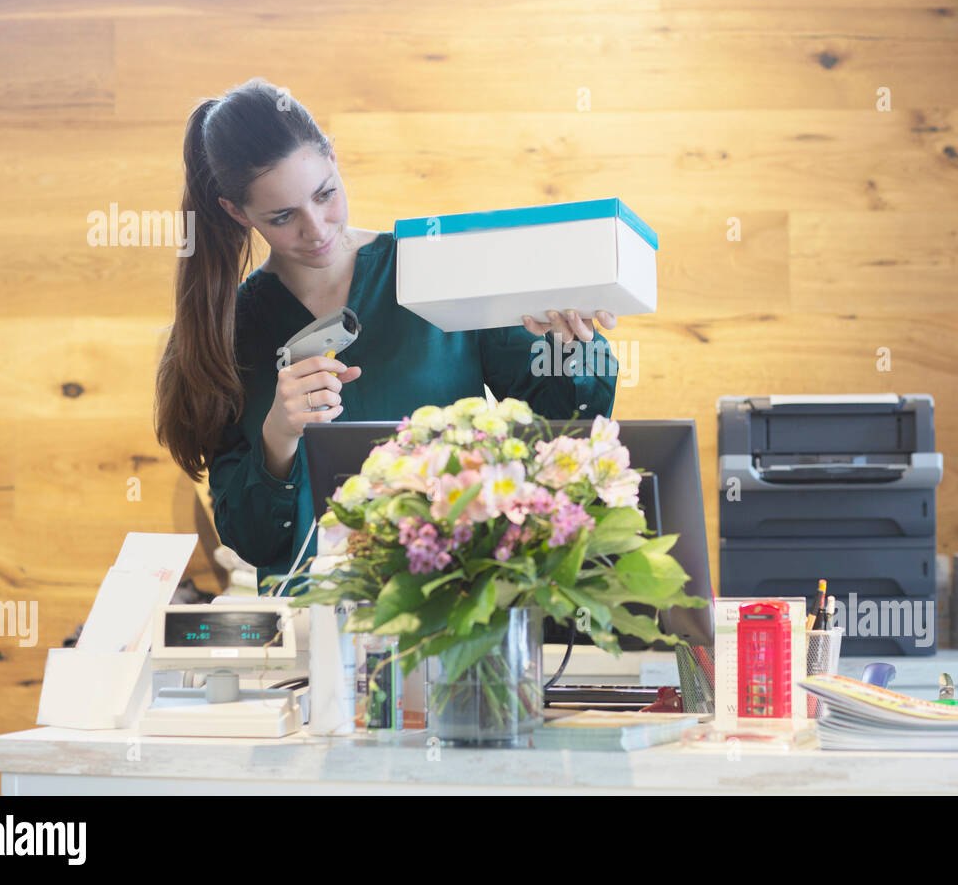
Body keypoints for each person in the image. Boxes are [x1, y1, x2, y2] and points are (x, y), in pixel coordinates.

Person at [154, 78, 618, 593]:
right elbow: (253, 542)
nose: (317, 229)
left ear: (333, 158)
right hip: (309, 623)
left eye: (325, 194)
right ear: (236, 212)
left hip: (452, 598)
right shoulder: (228, 331)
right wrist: (278, 437)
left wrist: (571, 347)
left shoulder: (434, 270)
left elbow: (566, 426)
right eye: (282, 217)